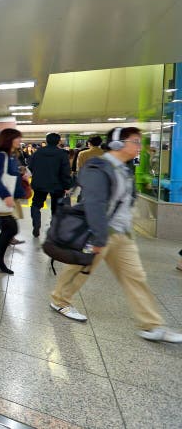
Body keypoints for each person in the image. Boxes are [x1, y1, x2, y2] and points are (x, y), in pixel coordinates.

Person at [49, 127, 182, 343]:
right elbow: (94, 204)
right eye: (135, 141)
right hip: (99, 231)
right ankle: (60, 300)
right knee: (80, 268)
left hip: (122, 234)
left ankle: (152, 324)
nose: (139, 147)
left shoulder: (124, 169)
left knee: (135, 277)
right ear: (118, 143)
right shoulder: (98, 167)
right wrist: (99, 237)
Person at [0, 128, 26, 274]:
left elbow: (7, 173)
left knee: (9, 229)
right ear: (9, 139)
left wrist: (20, 173)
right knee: (11, 229)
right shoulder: (1, 155)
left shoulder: (11, 155)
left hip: (9, 196)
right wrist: (6, 196)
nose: (20, 141)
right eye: (17, 138)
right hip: (2, 198)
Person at [28, 132, 72, 238]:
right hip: (57, 185)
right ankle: (53, 227)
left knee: (36, 205)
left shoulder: (38, 152)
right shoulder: (62, 154)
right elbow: (65, 171)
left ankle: (36, 224)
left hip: (39, 183)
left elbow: (30, 166)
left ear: (47, 141)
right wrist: (67, 186)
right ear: (59, 141)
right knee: (56, 207)